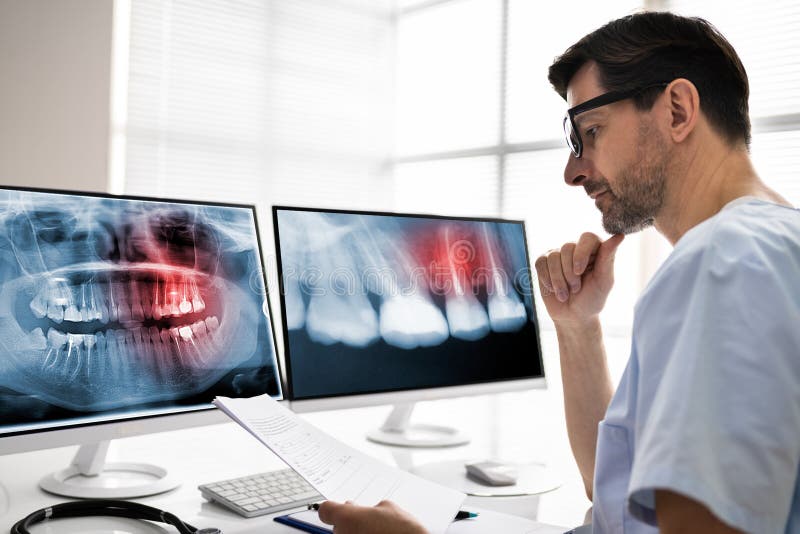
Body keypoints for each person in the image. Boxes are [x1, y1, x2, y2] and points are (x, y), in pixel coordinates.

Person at [318, 11, 800, 534]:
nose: (573, 172)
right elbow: (618, 499)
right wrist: (577, 326)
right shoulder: (766, 249)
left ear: (678, 110)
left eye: (590, 132)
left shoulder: (720, 262)